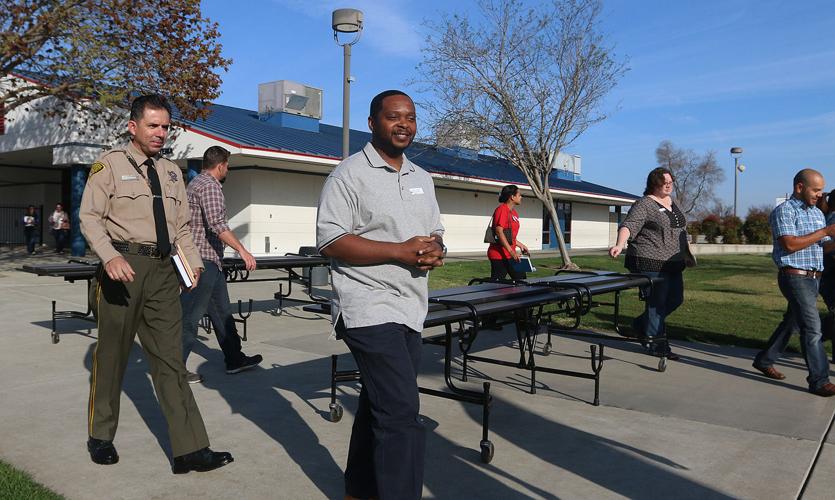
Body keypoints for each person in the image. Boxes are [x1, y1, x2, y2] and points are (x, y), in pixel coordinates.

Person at [79, 94, 233, 472]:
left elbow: (180, 227)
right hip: (122, 269)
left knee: (170, 361)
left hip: (164, 272)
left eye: (165, 126)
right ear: (133, 126)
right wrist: (110, 256)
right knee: (112, 357)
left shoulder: (172, 172)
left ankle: (190, 449)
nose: (160, 133)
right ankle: (101, 436)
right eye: (153, 125)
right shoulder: (109, 166)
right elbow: (90, 217)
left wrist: (192, 265)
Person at [316, 89, 445, 500]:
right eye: (394, 117)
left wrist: (435, 249)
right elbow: (331, 241)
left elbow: (436, 231)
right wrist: (398, 251)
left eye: (410, 117)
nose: (403, 124)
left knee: (377, 403)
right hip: (367, 306)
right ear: (373, 123)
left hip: (410, 306)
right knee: (402, 413)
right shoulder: (348, 175)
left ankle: (358, 490)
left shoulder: (422, 178)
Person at [180, 145, 262, 384]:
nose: (228, 170)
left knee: (222, 314)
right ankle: (174, 369)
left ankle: (234, 359)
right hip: (200, 262)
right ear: (221, 165)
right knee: (190, 316)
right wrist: (242, 250)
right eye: (227, 166)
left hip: (209, 262)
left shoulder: (194, 183)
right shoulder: (211, 186)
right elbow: (217, 224)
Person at [752, 169, 835, 397]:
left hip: (814, 278)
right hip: (794, 276)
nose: (820, 195)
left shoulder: (817, 214)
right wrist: (825, 231)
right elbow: (789, 244)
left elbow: (824, 246)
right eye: (816, 190)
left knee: (793, 322)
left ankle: (764, 359)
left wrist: (831, 238)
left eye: (821, 190)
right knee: (812, 328)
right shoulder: (784, 211)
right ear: (800, 187)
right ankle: (819, 381)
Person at [609, 167, 694, 361]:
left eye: (671, 182)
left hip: (674, 263)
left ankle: (641, 325)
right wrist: (620, 245)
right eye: (664, 182)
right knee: (657, 304)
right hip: (650, 262)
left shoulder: (674, 202)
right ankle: (656, 344)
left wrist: (688, 253)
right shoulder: (644, 204)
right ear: (653, 184)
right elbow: (628, 226)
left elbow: (682, 231)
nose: (668, 185)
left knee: (675, 299)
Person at [487, 184, 529, 280]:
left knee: (522, 280)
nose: (521, 197)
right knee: (497, 286)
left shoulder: (514, 213)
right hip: (499, 255)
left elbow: (509, 236)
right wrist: (512, 252)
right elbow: (499, 231)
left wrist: (521, 245)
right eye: (519, 195)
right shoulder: (502, 209)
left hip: (510, 254)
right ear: (512, 197)